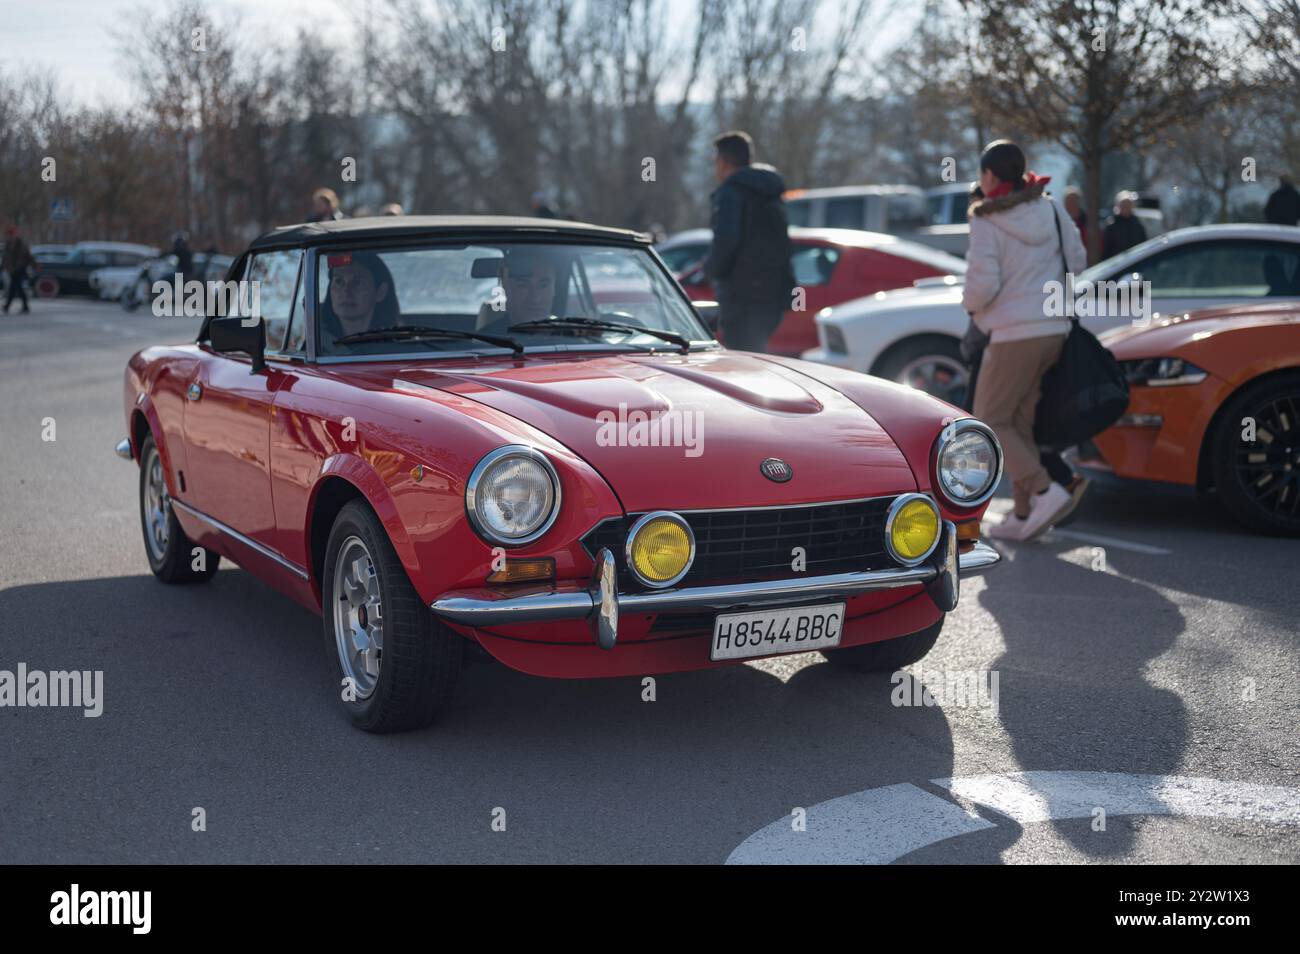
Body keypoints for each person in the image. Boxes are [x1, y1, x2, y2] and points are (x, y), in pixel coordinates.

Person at [963, 139, 1089, 542]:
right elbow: (1079, 259)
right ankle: (1021, 514)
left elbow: (983, 285)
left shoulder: (985, 220)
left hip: (1014, 333)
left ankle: (1043, 490)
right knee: (1019, 422)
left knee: (990, 420)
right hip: (1053, 329)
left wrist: (973, 310)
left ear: (990, 176)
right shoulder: (1051, 207)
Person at [704, 130, 794, 353]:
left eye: (716, 160)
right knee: (758, 358)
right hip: (772, 293)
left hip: (741, 297)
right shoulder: (770, 190)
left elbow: (726, 239)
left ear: (724, 162)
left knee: (743, 364)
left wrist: (711, 270)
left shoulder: (731, 192)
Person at [318, 251, 399, 351]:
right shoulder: (316, 344)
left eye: (357, 283)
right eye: (339, 281)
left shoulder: (398, 348)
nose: (346, 291)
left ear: (380, 292)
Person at [475, 247, 557, 332]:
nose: (535, 298)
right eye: (523, 285)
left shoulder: (568, 337)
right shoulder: (488, 340)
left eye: (543, 285)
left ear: (554, 288)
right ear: (505, 286)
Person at [1101, 190, 1147, 260]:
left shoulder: (1137, 224)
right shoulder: (1112, 225)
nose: (1126, 208)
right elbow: (1107, 249)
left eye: (1128, 205)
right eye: (1123, 205)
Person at [2, 225, 34, 314]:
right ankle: (24, 307)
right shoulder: (7, 244)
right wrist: (3, 267)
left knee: (15, 288)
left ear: (15, 234)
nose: (10, 236)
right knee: (16, 288)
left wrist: (34, 265)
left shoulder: (21, 244)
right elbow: (5, 258)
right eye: (9, 235)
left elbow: (28, 256)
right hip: (12, 270)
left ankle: (7, 306)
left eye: (12, 234)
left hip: (21, 269)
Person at [1063, 187, 1090, 263]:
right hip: (1068, 268)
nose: (1071, 204)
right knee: (1070, 275)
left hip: (1088, 266)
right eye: (1068, 201)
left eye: (1073, 200)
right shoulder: (1060, 222)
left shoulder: (1088, 222)